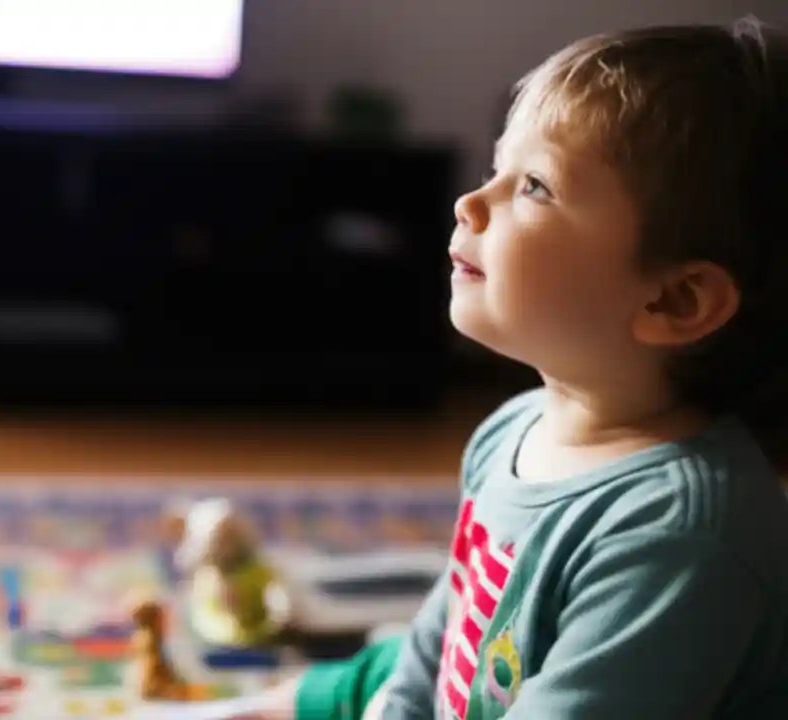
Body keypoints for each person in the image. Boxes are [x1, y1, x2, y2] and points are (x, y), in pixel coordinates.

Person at [259, 16, 788, 720]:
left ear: (673, 299)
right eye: (494, 169)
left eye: (534, 186)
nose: (470, 204)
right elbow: (441, 642)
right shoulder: (514, 429)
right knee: (369, 675)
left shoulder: (681, 532)